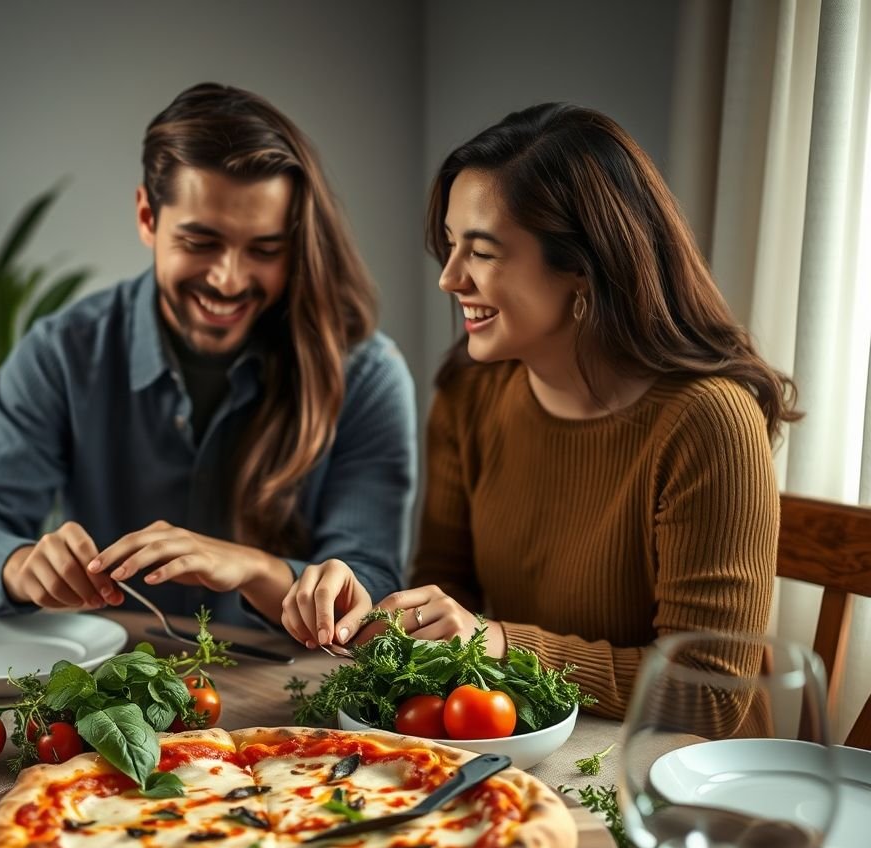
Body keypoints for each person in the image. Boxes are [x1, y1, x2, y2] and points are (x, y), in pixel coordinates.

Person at [281, 102, 796, 719]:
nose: (448, 279)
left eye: (483, 252)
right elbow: (447, 599)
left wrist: (495, 642)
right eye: (449, 245)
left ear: (582, 266)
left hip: (675, 788)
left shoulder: (709, 421)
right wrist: (368, 608)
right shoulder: (470, 393)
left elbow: (707, 692)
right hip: (520, 751)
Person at [0, 82, 416, 630]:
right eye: (201, 243)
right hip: (114, 689)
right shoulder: (63, 352)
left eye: (265, 250)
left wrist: (252, 569)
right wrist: (18, 564)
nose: (229, 279)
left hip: (290, 697)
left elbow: (372, 585)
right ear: (148, 217)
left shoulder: (367, 374)